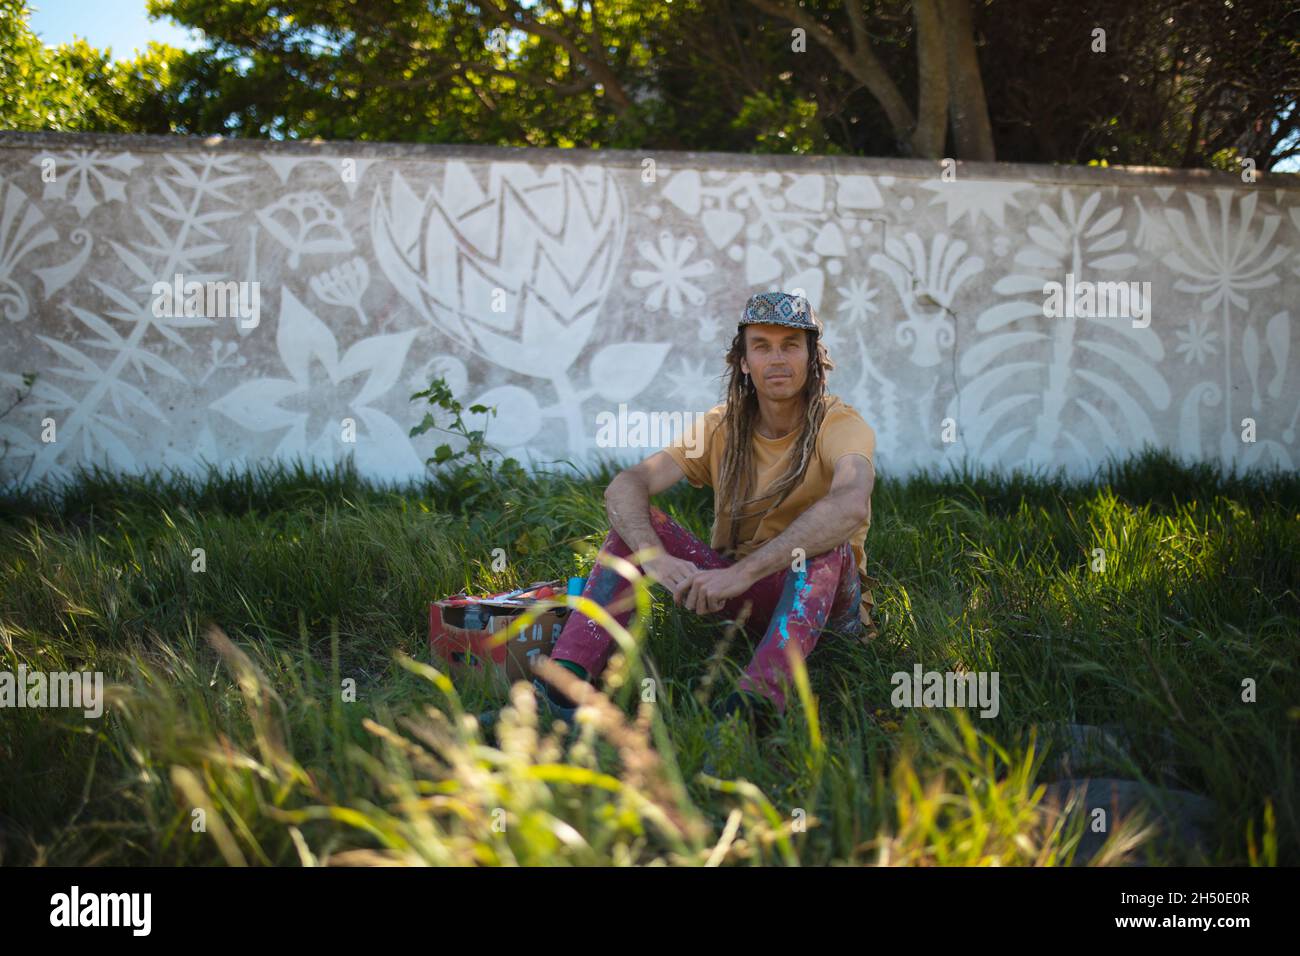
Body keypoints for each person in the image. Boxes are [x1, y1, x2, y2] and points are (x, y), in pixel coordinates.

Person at [484, 291, 878, 745]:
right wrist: (656, 559)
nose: (777, 358)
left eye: (791, 344)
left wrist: (743, 571)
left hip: (827, 611)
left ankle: (753, 710)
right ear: (744, 360)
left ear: (812, 357)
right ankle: (561, 692)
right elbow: (627, 485)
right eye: (762, 345)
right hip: (741, 597)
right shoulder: (720, 426)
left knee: (823, 544)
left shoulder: (840, 423)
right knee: (634, 527)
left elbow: (851, 502)